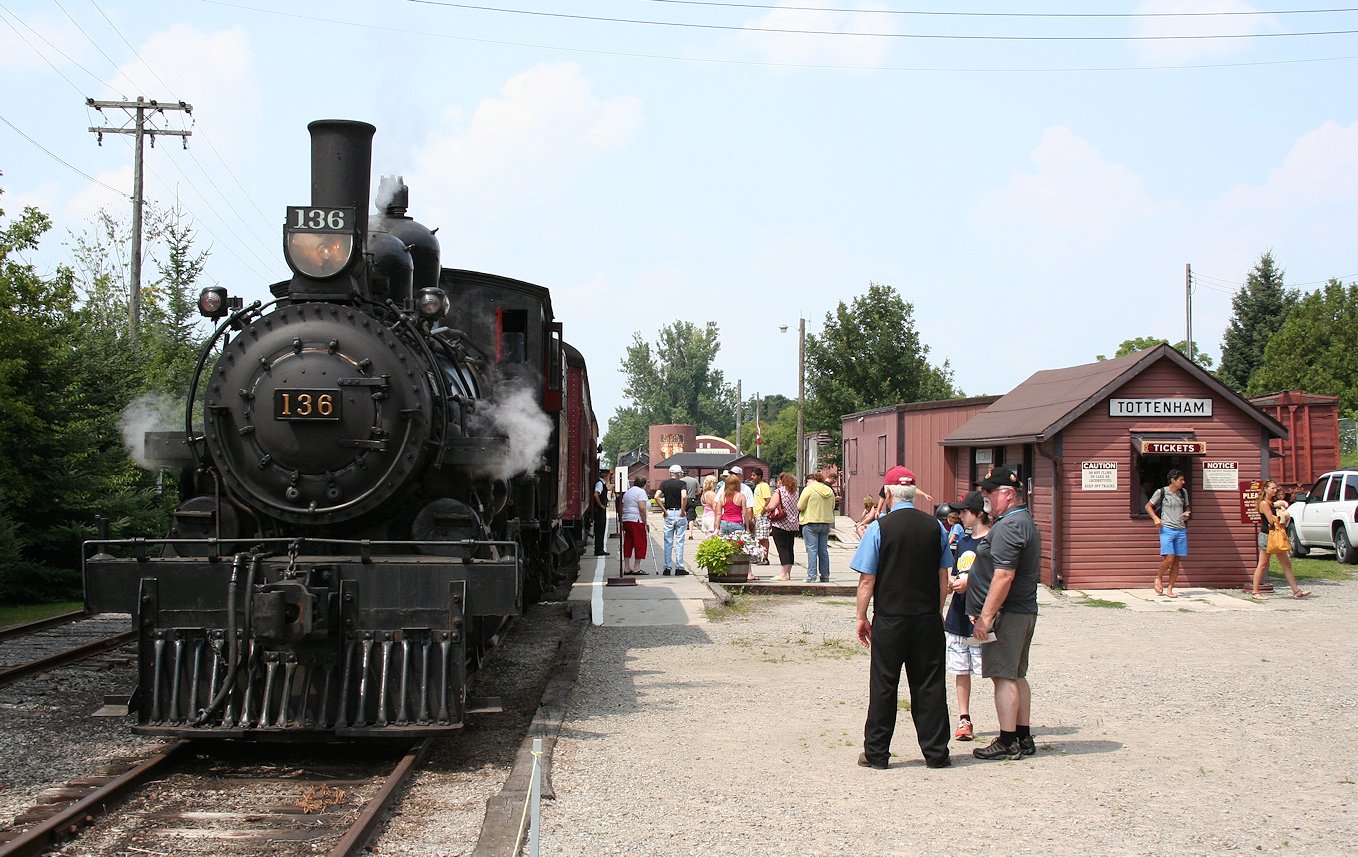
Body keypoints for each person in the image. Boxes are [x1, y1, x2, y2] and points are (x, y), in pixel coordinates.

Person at [852, 470, 953, 770]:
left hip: (891, 617)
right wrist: (937, 611)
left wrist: (861, 616)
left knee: (884, 684)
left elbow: (867, 580)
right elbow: (943, 577)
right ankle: (936, 752)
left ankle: (877, 753)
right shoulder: (935, 527)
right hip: (926, 617)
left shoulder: (879, 528)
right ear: (914, 493)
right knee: (930, 685)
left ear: (888, 494)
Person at [967, 466, 1041, 761]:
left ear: (1008, 495)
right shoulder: (1021, 521)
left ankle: (1008, 740)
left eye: (989, 493)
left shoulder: (1010, 526)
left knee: (1003, 676)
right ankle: (1022, 736)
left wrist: (985, 617)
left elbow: (1003, 576)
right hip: (1021, 609)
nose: (984, 498)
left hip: (1008, 613)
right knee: (1016, 674)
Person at [945, 491, 989, 742]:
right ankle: (964, 718)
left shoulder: (992, 541)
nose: (959, 516)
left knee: (992, 669)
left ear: (978, 513)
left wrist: (969, 582)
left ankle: (1006, 721)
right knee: (960, 669)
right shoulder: (963, 542)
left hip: (982, 616)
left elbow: (997, 576)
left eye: (964, 512)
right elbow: (956, 570)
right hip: (959, 614)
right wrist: (953, 582)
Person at [1251, 479, 1311, 600]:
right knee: (1262, 564)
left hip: (1276, 536)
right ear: (1265, 489)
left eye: (1275, 488)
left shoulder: (1273, 502)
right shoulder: (1264, 503)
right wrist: (1282, 516)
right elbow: (1271, 521)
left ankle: (1296, 591)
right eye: (1272, 488)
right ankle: (1255, 592)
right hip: (1267, 536)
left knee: (1287, 564)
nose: (1274, 490)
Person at [1145, 469, 1191, 597]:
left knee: (1176, 561)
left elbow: (1187, 507)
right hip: (1167, 529)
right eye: (1180, 480)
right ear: (1173, 480)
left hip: (1181, 529)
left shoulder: (1183, 492)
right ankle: (1159, 577)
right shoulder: (1161, 492)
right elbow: (1148, 506)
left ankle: (1170, 588)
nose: (1183, 482)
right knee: (1169, 558)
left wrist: (1187, 513)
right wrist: (1156, 518)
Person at [798, 470, 836, 583]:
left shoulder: (809, 489)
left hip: (810, 521)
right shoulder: (829, 490)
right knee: (823, 550)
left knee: (812, 550)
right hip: (825, 522)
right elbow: (833, 506)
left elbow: (800, 506)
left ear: (812, 480)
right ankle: (825, 575)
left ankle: (811, 575)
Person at [654, 465, 690, 576]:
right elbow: (684, 496)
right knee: (679, 541)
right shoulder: (682, 484)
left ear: (670, 473)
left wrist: (664, 510)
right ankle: (679, 567)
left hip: (669, 513)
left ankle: (667, 567)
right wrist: (683, 510)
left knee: (668, 542)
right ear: (679, 473)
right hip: (679, 512)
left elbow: (656, 496)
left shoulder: (664, 483)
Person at [769, 472, 800, 581]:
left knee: (782, 548)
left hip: (780, 523)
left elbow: (771, 506)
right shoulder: (795, 493)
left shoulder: (780, 492)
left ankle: (783, 574)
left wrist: (768, 508)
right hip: (792, 524)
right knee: (790, 548)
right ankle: (788, 573)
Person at [619, 475, 650, 575]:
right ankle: (636, 567)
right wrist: (645, 522)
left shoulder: (628, 492)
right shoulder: (641, 492)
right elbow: (642, 508)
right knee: (640, 543)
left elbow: (622, 505)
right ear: (644, 484)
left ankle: (627, 567)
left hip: (626, 519)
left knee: (628, 542)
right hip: (636, 520)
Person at [714, 465, 756, 530]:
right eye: (731, 474)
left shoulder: (746, 489)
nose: (732, 476)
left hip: (730, 522)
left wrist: (748, 524)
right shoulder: (723, 488)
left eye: (735, 474)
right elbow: (716, 505)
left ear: (740, 476)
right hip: (734, 522)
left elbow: (749, 509)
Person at [750, 467, 773, 565]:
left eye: (754, 475)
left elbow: (768, 500)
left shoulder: (764, 486)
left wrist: (762, 513)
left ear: (759, 476)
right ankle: (758, 556)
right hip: (756, 515)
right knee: (757, 537)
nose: (752, 477)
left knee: (763, 538)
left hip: (762, 516)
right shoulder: (757, 486)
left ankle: (765, 558)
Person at [591, 468, 611, 556]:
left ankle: (600, 549)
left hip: (600, 511)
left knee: (601, 529)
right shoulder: (600, 483)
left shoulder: (601, 483)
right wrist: (601, 505)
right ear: (606, 476)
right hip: (599, 511)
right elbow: (596, 494)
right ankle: (599, 550)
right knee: (600, 530)